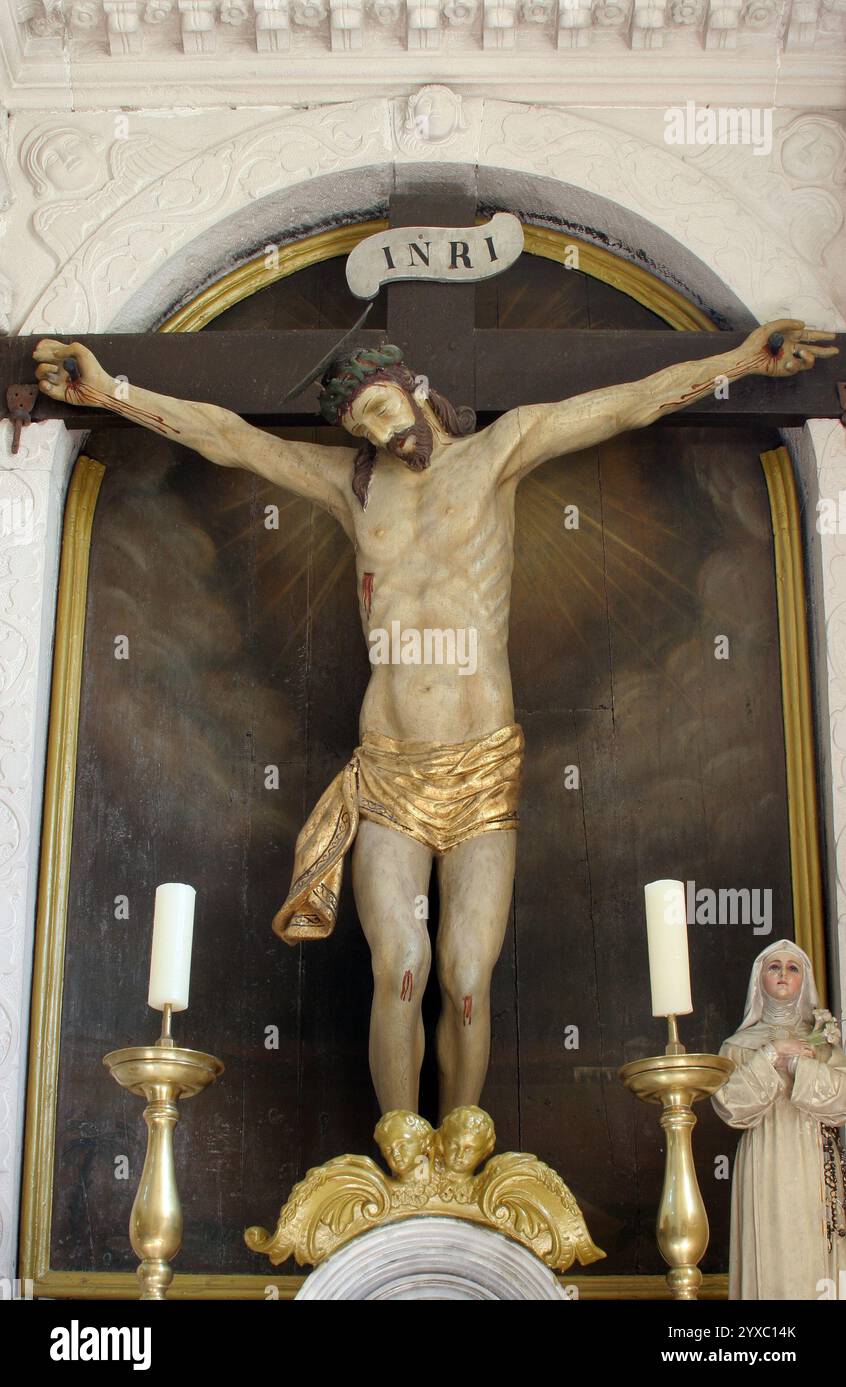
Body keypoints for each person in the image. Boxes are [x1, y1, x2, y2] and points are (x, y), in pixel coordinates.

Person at [33, 323, 837, 1119]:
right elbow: (229, 437)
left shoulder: (500, 453)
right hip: (390, 765)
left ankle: (459, 1146)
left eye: (382, 409)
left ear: (414, 388)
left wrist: (740, 361)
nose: (380, 433)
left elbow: (626, 405)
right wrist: (108, 393)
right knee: (403, 964)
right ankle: (402, 1150)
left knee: (464, 978)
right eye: (361, 427)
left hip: (482, 765)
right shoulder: (355, 489)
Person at [712, 939, 846, 1299]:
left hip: (815, 1158)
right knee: (770, 1243)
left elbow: (842, 1101)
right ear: (760, 980)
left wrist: (800, 1065)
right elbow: (729, 1105)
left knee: (816, 1243)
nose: (783, 974)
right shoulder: (739, 1046)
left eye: (792, 967)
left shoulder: (823, 1044)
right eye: (774, 967)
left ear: (805, 981)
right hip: (766, 1158)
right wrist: (770, 1055)